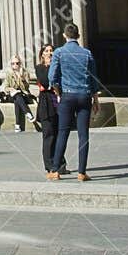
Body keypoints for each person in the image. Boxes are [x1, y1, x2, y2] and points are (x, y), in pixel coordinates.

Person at [48, 24, 102, 183]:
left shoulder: (59, 52)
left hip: (67, 95)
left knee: (63, 132)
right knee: (83, 134)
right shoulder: (86, 53)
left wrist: (58, 92)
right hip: (84, 96)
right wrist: (95, 99)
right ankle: (81, 172)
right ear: (78, 36)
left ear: (65, 36)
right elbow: (93, 79)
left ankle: (55, 170)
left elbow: (52, 77)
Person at [34, 42, 67, 176]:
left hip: (58, 102)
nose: (49, 53)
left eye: (51, 51)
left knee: (60, 134)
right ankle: (49, 165)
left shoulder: (59, 67)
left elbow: (61, 81)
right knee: (49, 135)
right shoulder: (39, 67)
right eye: (46, 51)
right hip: (46, 103)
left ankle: (60, 163)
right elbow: (46, 81)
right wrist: (51, 69)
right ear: (42, 54)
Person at [1, 55, 34, 132]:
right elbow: (5, 87)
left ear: (20, 64)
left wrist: (22, 78)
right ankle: (28, 113)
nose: (15, 65)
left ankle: (17, 125)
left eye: (17, 63)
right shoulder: (9, 74)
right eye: (13, 63)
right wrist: (11, 89)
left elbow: (26, 87)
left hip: (23, 95)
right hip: (12, 95)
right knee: (16, 96)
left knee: (17, 100)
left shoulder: (25, 73)